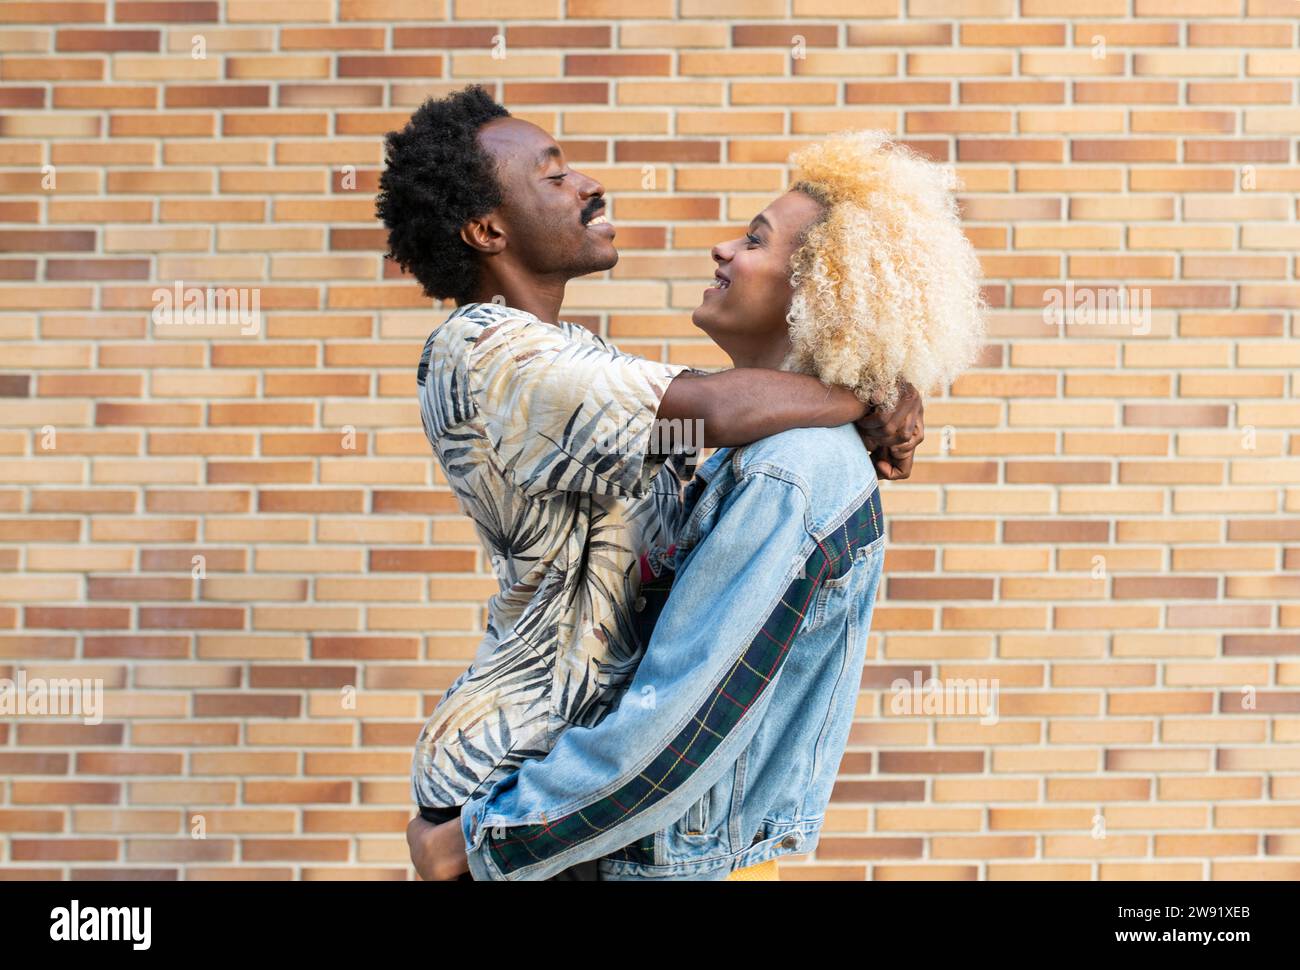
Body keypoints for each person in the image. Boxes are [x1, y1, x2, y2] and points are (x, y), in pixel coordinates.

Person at [375, 87, 927, 880]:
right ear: (488, 230)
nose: (587, 185)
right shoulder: (487, 349)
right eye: (554, 177)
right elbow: (707, 406)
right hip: (517, 785)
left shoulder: (570, 362)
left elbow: (696, 426)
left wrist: (858, 398)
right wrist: (868, 393)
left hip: (560, 797)